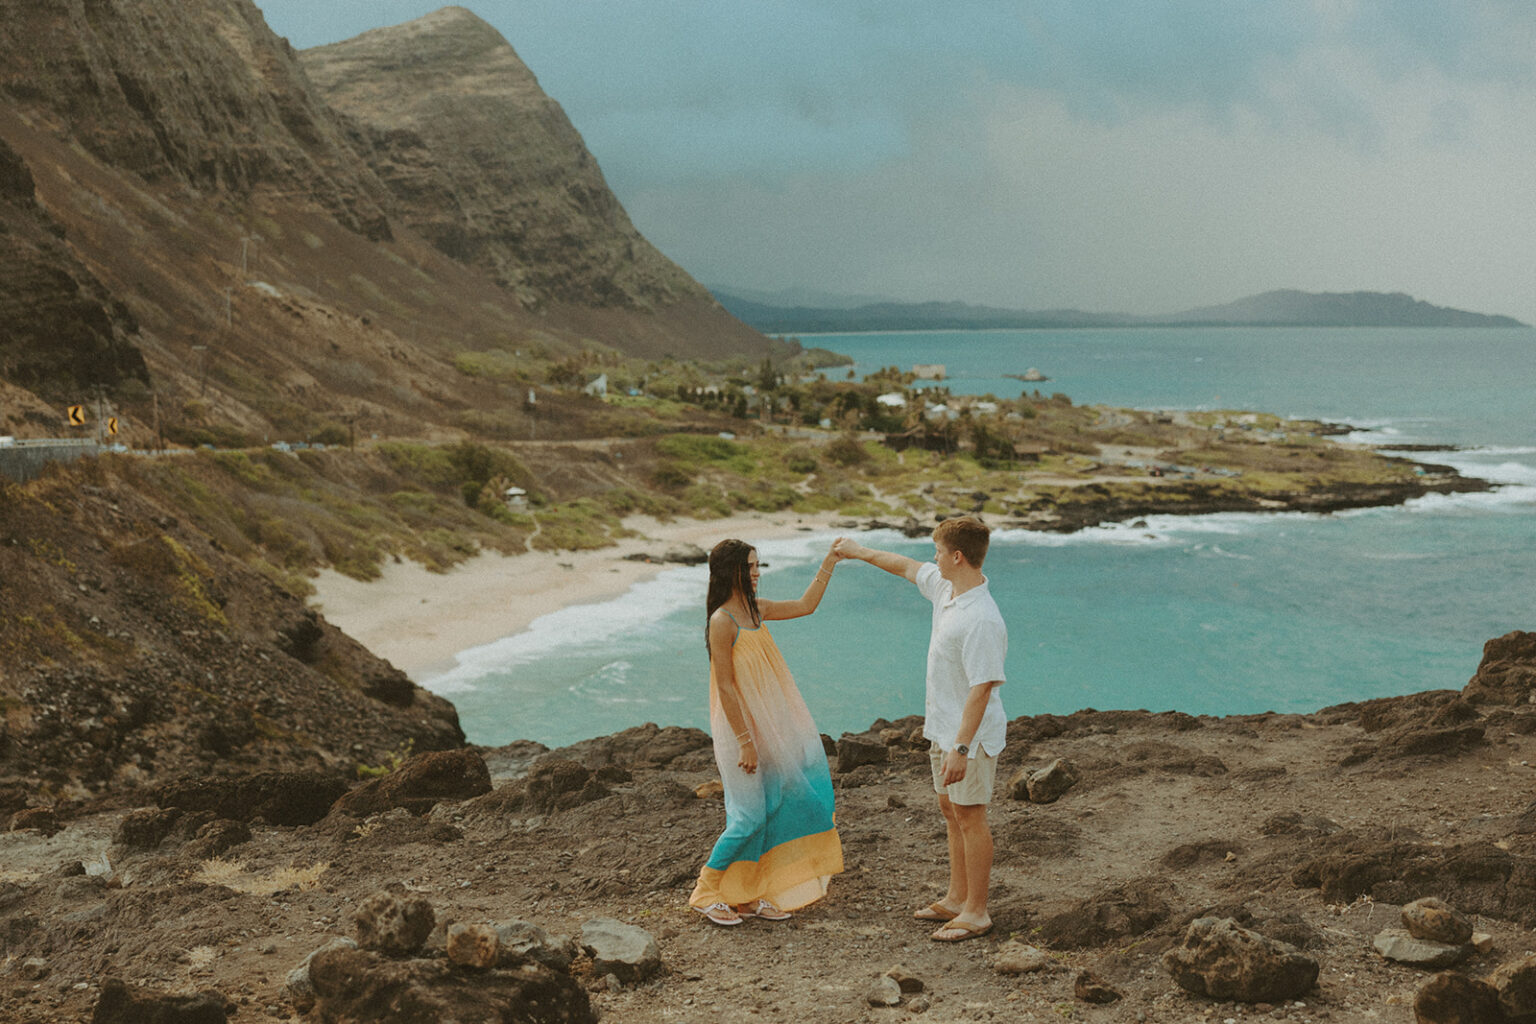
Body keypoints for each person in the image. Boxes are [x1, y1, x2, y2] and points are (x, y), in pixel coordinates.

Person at [834, 516, 1007, 941]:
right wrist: (857, 552)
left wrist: (961, 750)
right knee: (951, 812)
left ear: (957, 556)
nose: (932, 557)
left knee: (970, 816)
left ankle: (977, 911)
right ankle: (955, 897)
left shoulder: (982, 618)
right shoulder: (946, 589)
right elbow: (904, 566)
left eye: (938, 550)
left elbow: (981, 690)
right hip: (944, 728)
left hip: (972, 737)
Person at [688, 538, 846, 926]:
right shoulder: (722, 621)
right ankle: (705, 892)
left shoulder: (757, 611)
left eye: (759, 566)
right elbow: (725, 687)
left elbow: (807, 606)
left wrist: (830, 561)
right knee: (747, 817)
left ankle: (748, 894)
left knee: (774, 808)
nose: (757, 574)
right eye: (751, 567)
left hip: (770, 728)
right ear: (732, 571)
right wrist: (745, 742)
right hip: (740, 732)